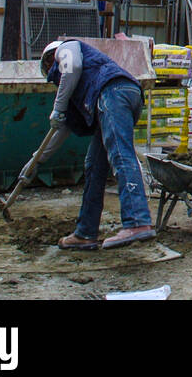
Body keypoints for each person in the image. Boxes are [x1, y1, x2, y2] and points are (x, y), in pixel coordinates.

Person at [40, 39, 155, 250]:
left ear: (50, 57)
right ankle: (85, 233)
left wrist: (58, 106)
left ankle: (137, 221)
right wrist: (38, 159)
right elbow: (63, 127)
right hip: (117, 96)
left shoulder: (67, 47)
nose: (52, 74)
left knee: (120, 154)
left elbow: (71, 67)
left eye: (50, 70)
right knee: (94, 166)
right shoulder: (77, 86)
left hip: (112, 92)